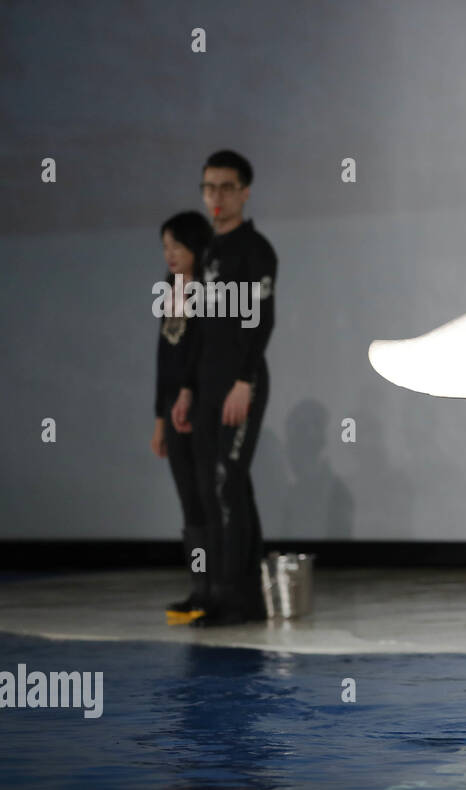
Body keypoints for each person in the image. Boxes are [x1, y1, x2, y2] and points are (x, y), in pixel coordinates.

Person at [171, 150, 277, 627]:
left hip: (241, 383)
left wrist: (244, 381)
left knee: (226, 483)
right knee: (215, 489)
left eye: (226, 187)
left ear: (245, 191)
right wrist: (188, 388)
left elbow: (261, 321)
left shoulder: (255, 250)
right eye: (208, 187)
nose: (216, 196)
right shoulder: (208, 251)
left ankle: (238, 598)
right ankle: (220, 590)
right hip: (208, 383)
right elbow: (198, 329)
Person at [152, 211, 214, 623]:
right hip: (172, 410)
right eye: (165, 247)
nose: (170, 254)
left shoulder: (211, 292)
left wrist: (191, 398)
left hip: (202, 406)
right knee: (189, 503)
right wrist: (160, 418)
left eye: (177, 245)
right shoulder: (168, 291)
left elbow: (204, 357)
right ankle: (198, 588)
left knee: (209, 499)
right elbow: (164, 361)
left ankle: (219, 590)